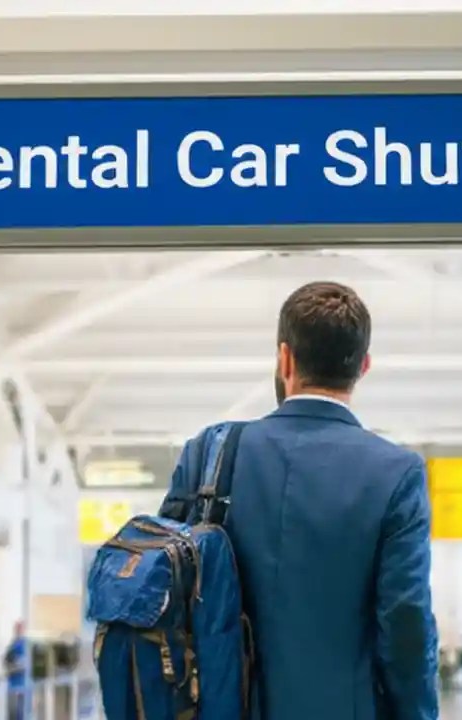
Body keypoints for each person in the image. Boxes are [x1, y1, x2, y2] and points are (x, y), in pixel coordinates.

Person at [159, 282, 439, 720]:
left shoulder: (210, 453)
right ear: (363, 366)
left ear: (284, 359)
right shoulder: (397, 473)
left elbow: (164, 596)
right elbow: (406, 624)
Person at [3, 621, 29, 720]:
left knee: (22, 711)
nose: (18, 631)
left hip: (23, 684)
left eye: (20, 629)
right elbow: (6, 661)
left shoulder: (26, 645)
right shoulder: (12, 645)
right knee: (13, 712)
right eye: (17, 629)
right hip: (13, 685)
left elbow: (26, 664)